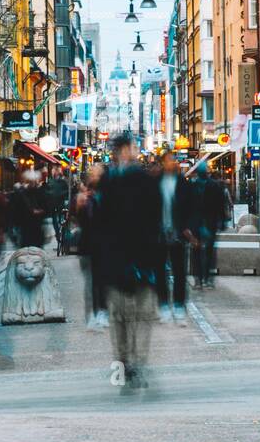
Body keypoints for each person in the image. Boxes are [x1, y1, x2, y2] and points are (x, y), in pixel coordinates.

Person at [94, 134, 162, 388]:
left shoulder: (118, 181)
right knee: (128, 318)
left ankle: (132, 364)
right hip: (129, 261)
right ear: (123, 151)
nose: (134, 152)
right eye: (132, 148)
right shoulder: (124, 182)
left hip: (129, 261)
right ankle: (130, 363)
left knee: (132, 319)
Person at [155, 150, 195, 324]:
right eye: (169, 160)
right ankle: (163, 305)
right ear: (163, 163)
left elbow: (190, 207)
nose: (173, 163)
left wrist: (188, 228)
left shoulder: (182, 183)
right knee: (160, 273)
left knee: (180, 273)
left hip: (178, 234)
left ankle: (179, 306)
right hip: (159, 234)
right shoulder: (155, 183)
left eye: (174, 160)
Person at [74, 163, 108, 329]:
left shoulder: (107, 194)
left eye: (97, 173)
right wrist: (79, 206)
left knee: (102, 279)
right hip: (87, 243)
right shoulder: (83, 196)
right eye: (93, 173)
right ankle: (92, 314)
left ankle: (102, 311)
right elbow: (78, 219)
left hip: (104, 242)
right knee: (90, 281)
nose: (95, 176)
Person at [190, 166, 228, 289]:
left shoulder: (197, 186)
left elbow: (221, 204)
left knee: (205, 252)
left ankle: (202, 279)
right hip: (202, 223)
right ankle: (203, 279)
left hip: (206, 222)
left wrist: (222, 220)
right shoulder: (197, 186)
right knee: (203, 251)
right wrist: (222, 221)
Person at [9, 169, 49, 250]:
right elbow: (15, 211)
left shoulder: (39, 192)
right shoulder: (21, 193)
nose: (33, 183)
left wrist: (41, 212)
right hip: (25, 228)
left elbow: (46, 207)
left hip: (34, 228)